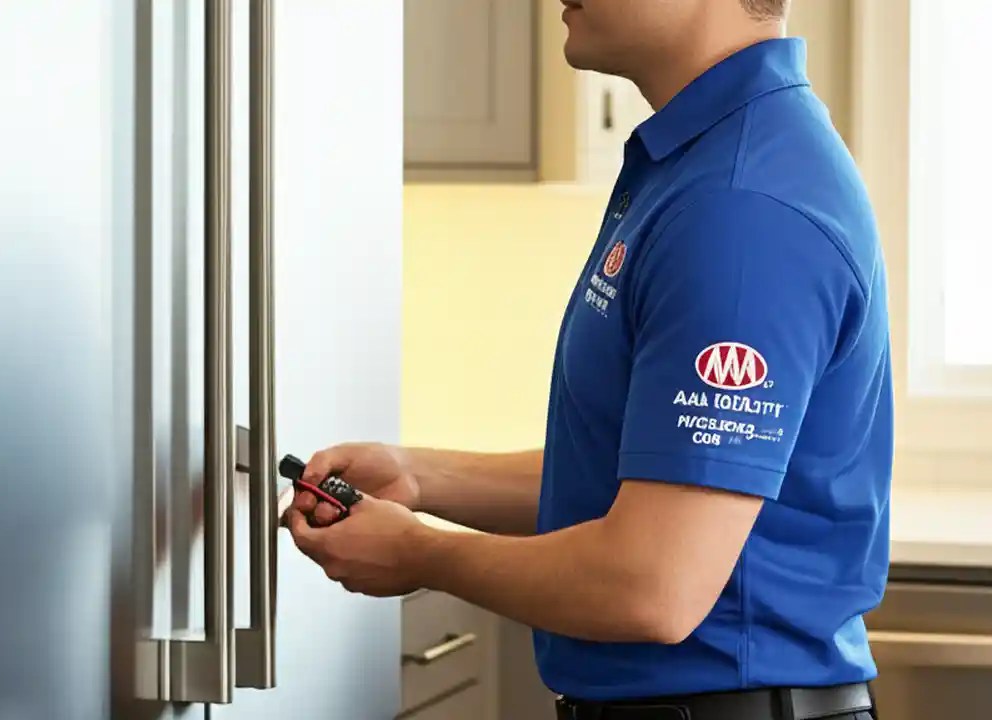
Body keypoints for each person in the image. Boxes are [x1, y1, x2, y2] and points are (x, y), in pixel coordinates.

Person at [284, 0, 890, 717]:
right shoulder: (705, 161)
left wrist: (419, 553)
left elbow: (650, 585)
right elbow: (654, 474)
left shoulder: (740, 207)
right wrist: (422, 478)